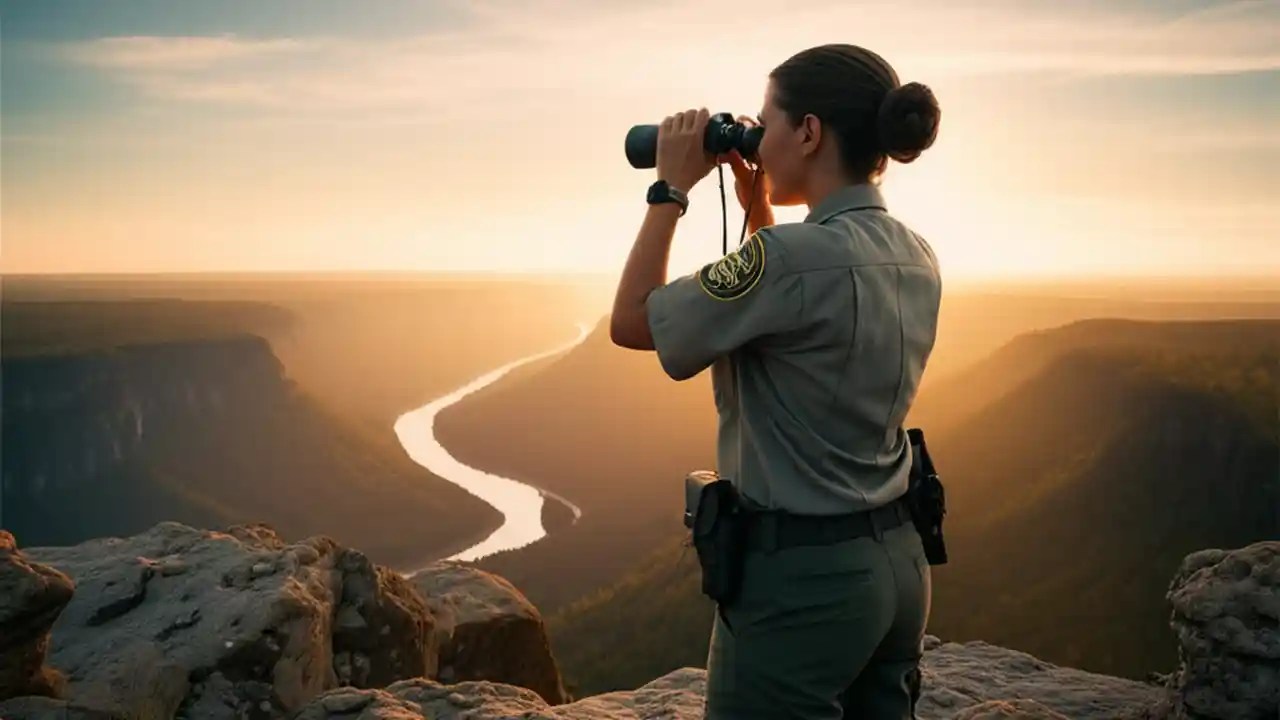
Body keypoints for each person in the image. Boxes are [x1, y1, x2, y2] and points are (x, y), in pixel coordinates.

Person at [609, 43, 943, 719]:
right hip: (899, 565)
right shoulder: (915, 253)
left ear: (810, 132)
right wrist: (758, 206)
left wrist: (670, 190)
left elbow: (635, 320)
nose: (757, 139)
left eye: (766, 123)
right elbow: (790, 315)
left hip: (804, 585)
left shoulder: (790, 259)